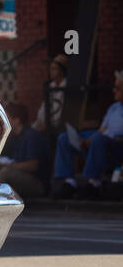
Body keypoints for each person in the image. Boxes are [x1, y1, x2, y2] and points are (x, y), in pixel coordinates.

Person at [51, 70, 123, 199]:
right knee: (64, 138)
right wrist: (89, 139)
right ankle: (69, 182)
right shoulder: (114, 108)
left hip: (116, 148)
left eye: (117, 88)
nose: (114, 91)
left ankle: (92, 182)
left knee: (99, 139)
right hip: (101, 141)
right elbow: (102, 129)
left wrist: (97, 138)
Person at [0, 103, 51, 199]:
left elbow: (32, 166)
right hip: (22, 178)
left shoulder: (31, 136)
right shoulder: (12, 137)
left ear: (16, 120)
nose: (3, 121)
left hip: (38, 184)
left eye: (7, 118)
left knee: (6, 173)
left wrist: (7, 166)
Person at [34, 54, 70, 134]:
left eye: (54, 69)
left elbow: (60, 112)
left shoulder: (67, 86)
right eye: (50, 69)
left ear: (61, 70)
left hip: (59, 128)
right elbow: (43, 109)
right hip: (45, 125)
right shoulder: (50, 86)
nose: (51, 72)